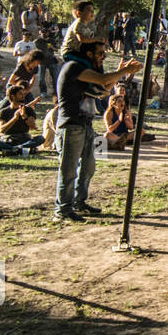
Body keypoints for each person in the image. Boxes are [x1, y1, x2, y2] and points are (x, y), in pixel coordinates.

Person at [54, 38, 142, 222]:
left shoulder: (89, 71)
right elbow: (103, 80)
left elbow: (104, 90)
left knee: (89, 166)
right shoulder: (74, 67)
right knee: (69, 170)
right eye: (101, 53)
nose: (104, 56)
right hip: (71, 125)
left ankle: (79, 202)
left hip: (86, 124)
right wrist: (124, 71)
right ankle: (62, 210)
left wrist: (120, 74)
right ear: (89, 54)